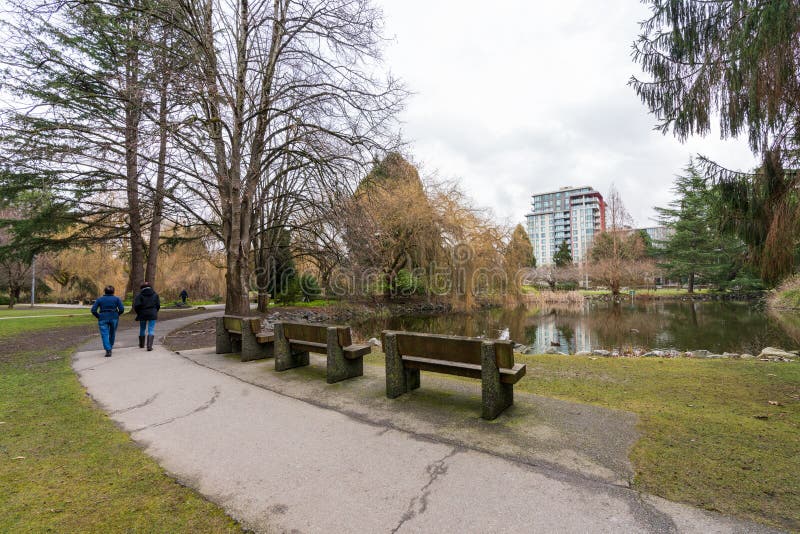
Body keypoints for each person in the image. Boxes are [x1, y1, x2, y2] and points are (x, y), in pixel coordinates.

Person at [91, 285, 124, 357]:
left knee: (104, 334)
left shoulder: (100, 299)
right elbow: (121, 309)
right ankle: (110, 347)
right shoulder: (117, 299)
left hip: (103, 317)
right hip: (114, 317)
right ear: (113, 292)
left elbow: (93, 310)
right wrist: (117, 314)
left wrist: (98, 316)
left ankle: (108, 349)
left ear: (104, 291)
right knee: (112, 333)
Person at [133, 282, 161, 351]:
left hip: (142, 314)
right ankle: (149, 346)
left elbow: (136, 306)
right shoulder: (155, 295)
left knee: (142, 328)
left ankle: (142, 345)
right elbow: (158, 305)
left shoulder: (139, 295)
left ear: (142, 288)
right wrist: (155, 311)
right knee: (151, 329)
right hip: (152, 313)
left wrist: (138, 313)